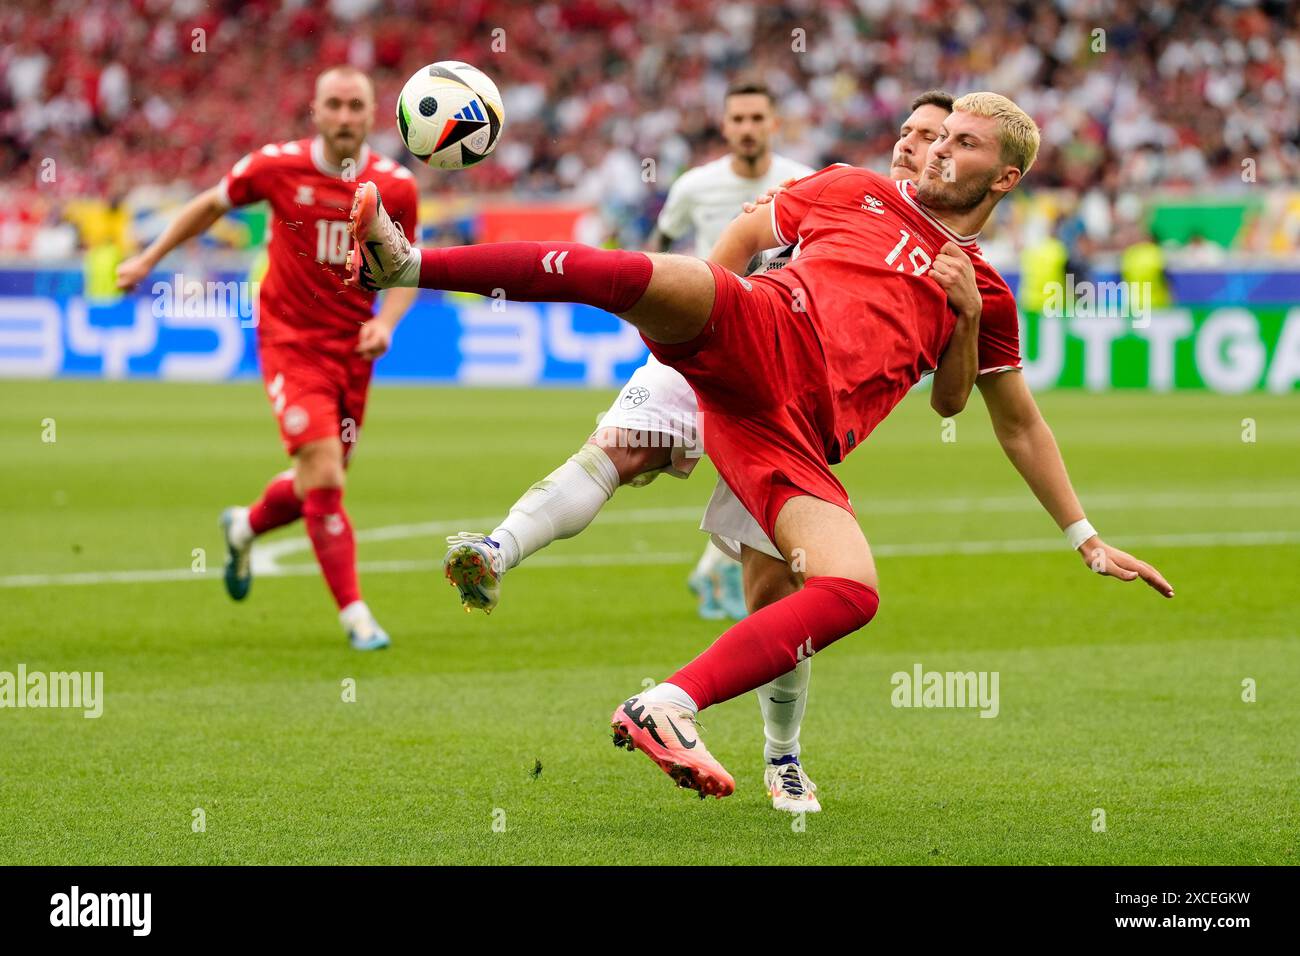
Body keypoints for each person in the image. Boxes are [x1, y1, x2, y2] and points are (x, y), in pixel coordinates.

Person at [346, 91, 1173, 800]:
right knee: (645, 279)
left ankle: (671, 704)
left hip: (799, 435)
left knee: (847, 590)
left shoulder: (986, 291)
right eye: (938, 132)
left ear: (1005, 178)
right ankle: (409, 264)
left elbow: (977, 410)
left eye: (962, 143)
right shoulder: (853, 188)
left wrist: (1085, 536)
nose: (936, 147)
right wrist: (695, 332)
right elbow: (742, 243)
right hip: (762, 327)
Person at [441, 80, 812, 624]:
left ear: (775, 123)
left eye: (759, 117)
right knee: (612, 451)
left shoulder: (806, 182)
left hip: (774, 360)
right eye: (739, 119)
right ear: (725, 124)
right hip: (701, 339)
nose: (748, 128)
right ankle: (498, 549)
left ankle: (723, 580)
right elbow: (662, 253)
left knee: (772, 566)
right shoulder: (694, 186)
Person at [116, 66, 419, 650]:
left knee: (315, 483)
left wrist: (385, 322)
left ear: (371, 113)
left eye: (356, 106)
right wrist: (148, 259)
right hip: (290, 341)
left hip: (354, 350)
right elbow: (209, 205)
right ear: (315, 111)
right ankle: (356, 616)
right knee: (326, 477)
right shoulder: (276, 167)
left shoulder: (395, 187)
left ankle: (243, 526)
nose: (346, 117)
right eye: (334, 104)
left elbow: (407, 266)